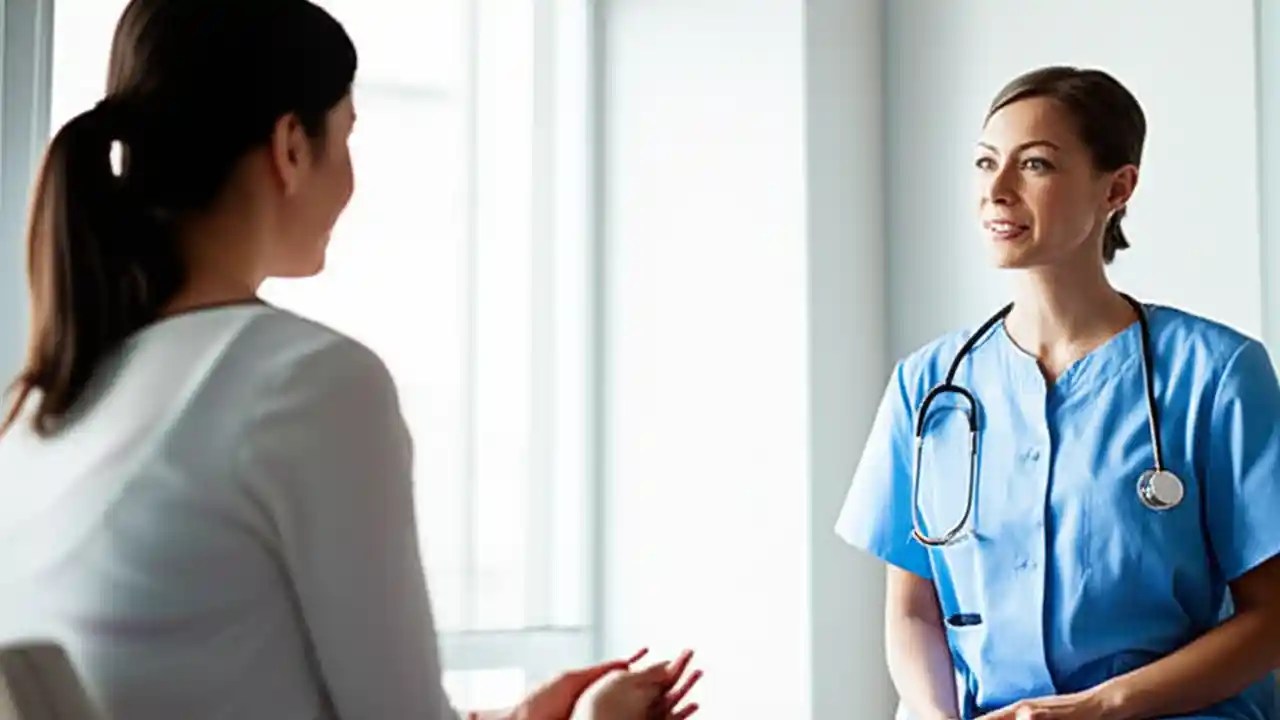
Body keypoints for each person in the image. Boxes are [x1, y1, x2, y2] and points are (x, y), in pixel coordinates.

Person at [0, 1, 701, 719]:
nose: (352, 176)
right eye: (347, 136)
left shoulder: (37, 416)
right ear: (291, 147)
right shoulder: (305, 383)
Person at [835, 65, 1280, 720]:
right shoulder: (929, 386)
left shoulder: (1217, 375)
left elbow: (1271, 618)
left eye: (1035, 165)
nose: (997, 190)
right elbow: (913, 613)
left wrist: (1096, 708)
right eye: (986, 163)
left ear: (1117, 188)